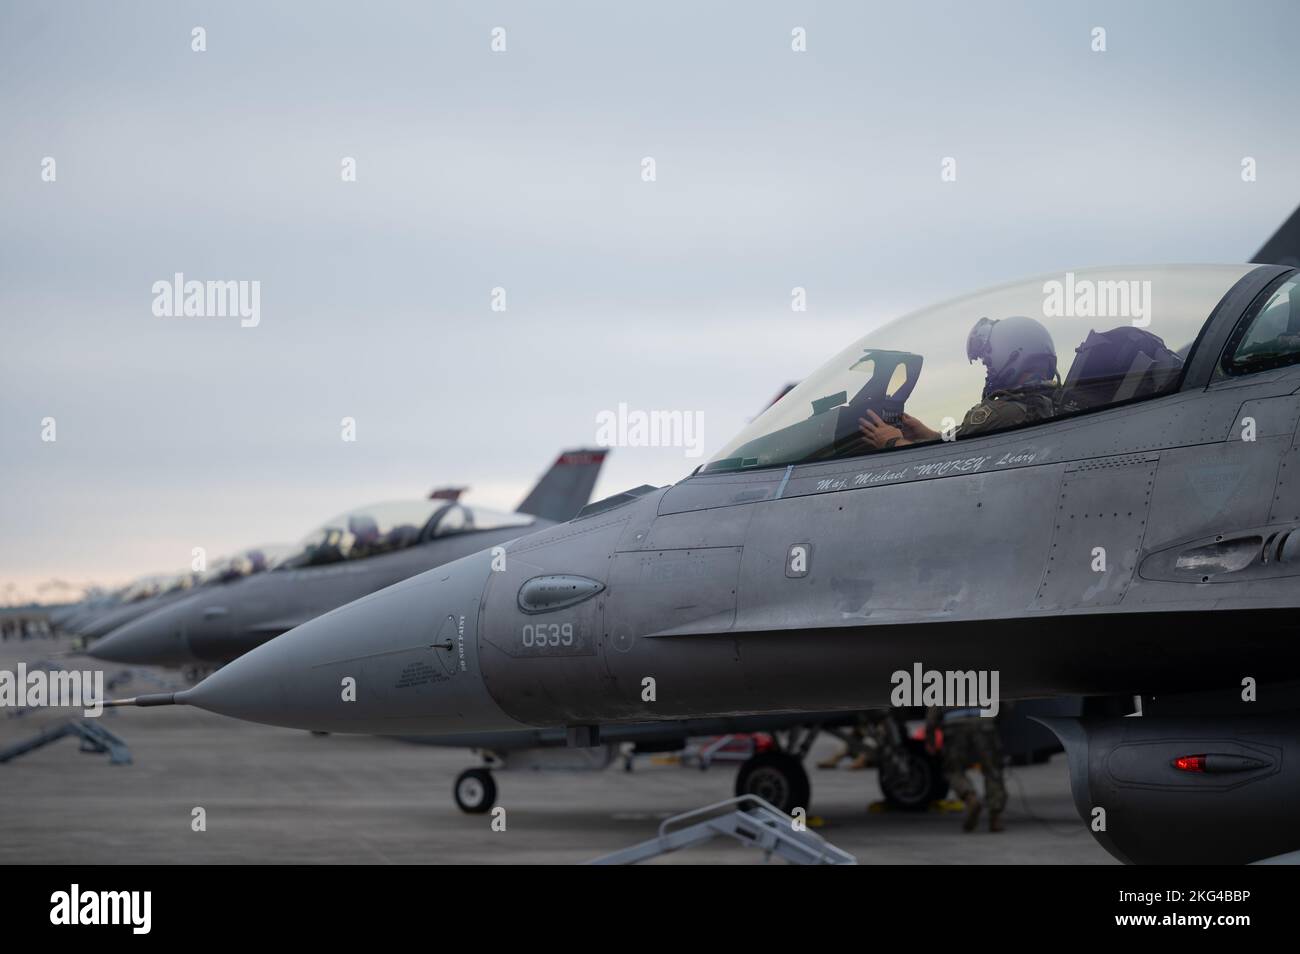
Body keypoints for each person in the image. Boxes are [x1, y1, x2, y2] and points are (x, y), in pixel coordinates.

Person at [859, 315, 1059, 449]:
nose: (989, 372)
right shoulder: (1047, 403)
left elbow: (945, 464)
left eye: (989, 365)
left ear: (1013, 356)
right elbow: (967, 445)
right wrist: (929, 435)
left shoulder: (1001, 412)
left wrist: (892, 441)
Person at [926, 705, 1006, 832]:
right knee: (992, 768)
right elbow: (1003, 699)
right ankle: (995, 817)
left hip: (954, 722)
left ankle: (970, 797)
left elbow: (934, 707)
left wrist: (930, 735)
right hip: (983, 718)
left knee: (953, 769)